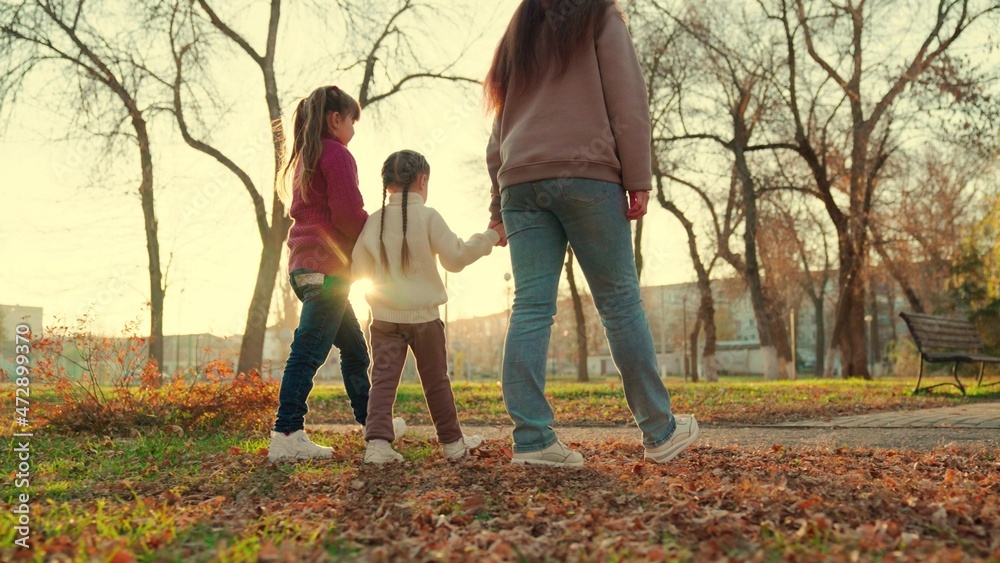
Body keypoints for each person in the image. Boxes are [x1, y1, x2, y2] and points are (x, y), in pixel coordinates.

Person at [484, 0, 698, 467]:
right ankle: (660, 431)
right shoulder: (600, 17)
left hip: (520, 180)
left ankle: (532, 440)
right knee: (620, 302)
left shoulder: (520, 30)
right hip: (588, 174)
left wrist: (498, 204)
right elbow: (628, 100)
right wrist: (638, 177)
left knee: (531, 306)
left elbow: (499, 127)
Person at [268, 85, 403, 462]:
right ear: (336, 119)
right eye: (352, 121)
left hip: (305, 268)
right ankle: (287, 432)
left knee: (355, 350)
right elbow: (346, 213)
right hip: (327, 270)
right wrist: (377, 236)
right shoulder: (338, 155)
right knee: (308, 352)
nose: (355, 130)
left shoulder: (307, 157)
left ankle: (373, 424)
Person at [353, 150, 501, 464]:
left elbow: (358, 268)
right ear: (423, 181)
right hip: (425, 321)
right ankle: (452, 444)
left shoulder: (374, 222)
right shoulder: (429, 216)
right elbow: (456, 257)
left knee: (382, 381)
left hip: (383, 320)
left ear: (387, 185)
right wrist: (490, 236)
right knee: (436, 381)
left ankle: (377, 446)